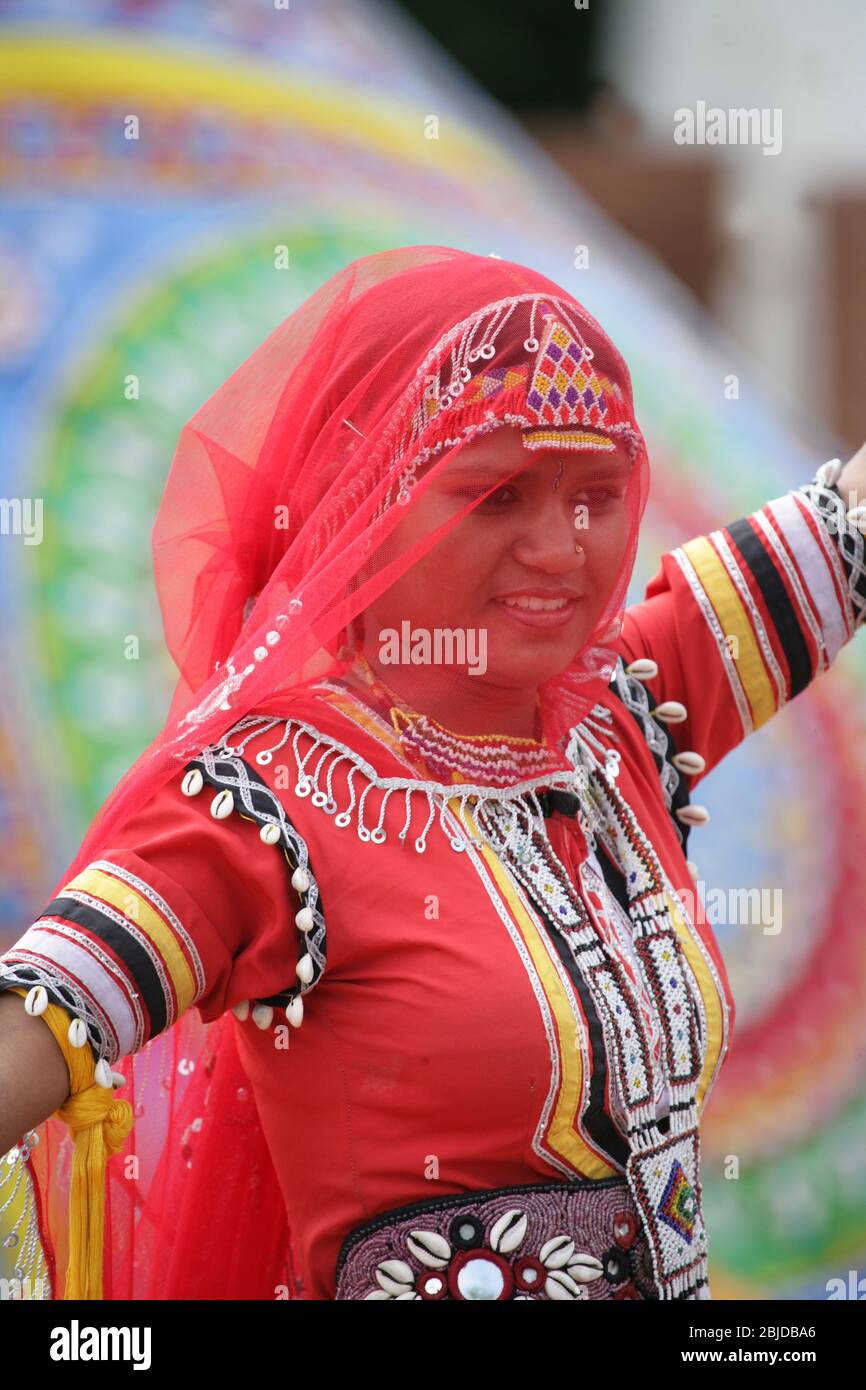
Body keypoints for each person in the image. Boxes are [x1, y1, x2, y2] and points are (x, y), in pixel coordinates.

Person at [1, 245, 864, 1302]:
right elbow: (44, 1023)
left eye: (593, 494)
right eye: (495, 495)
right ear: (363, 505)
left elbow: (845, 530)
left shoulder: (624, 715)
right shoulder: (261, 808)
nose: (559, 547)